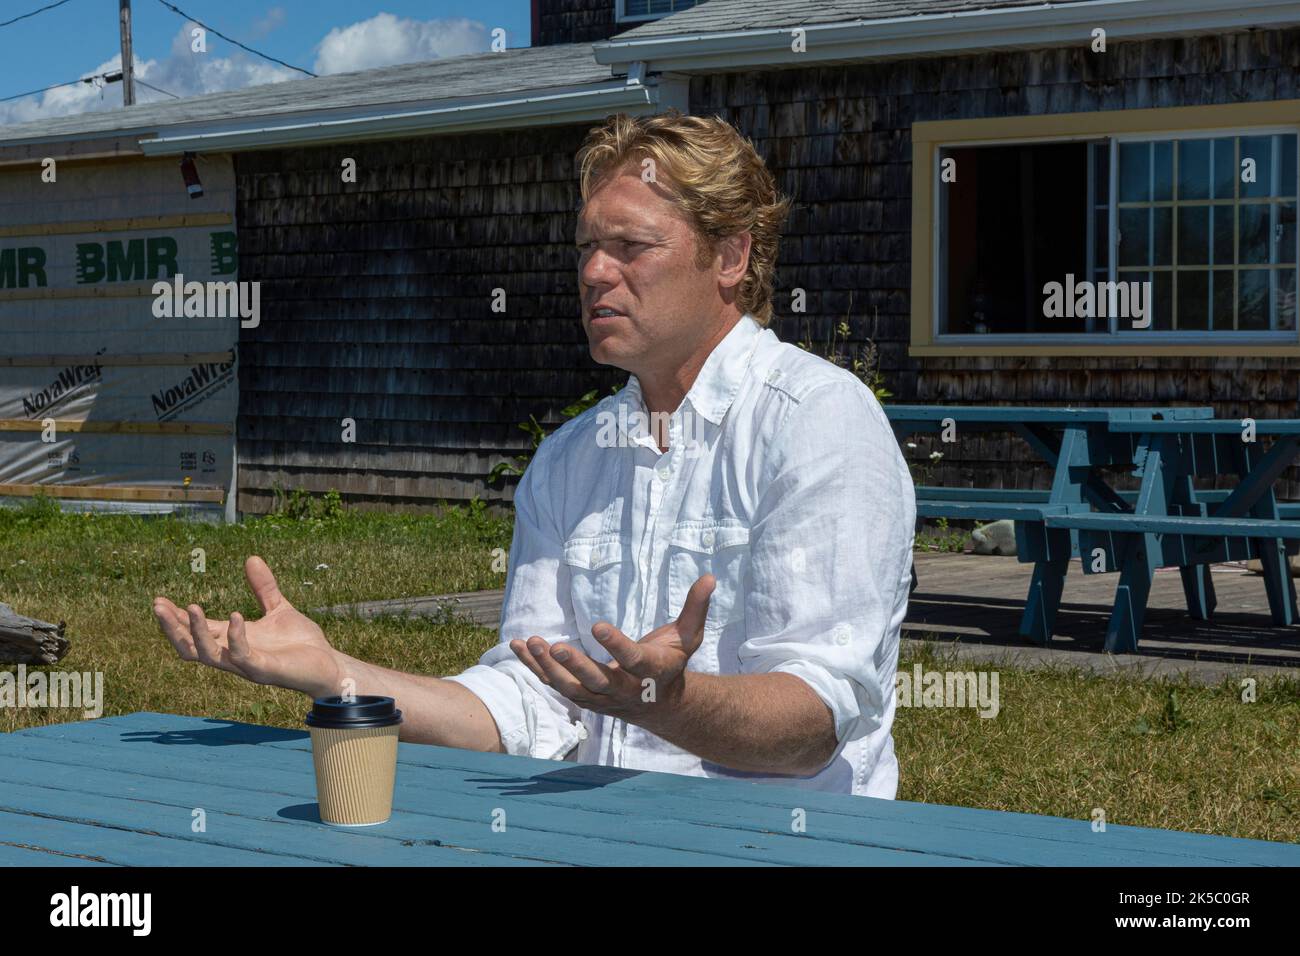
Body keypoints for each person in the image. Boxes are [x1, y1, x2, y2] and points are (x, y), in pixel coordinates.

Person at [153, 109, 916, 797]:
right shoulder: (571, 458)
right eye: (587, 247)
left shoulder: (818, 423)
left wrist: (667, 700)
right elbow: (527, 702)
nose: (593, 272)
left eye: (630, 246)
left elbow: (816, 721)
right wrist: (338, 674)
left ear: (730, 256)